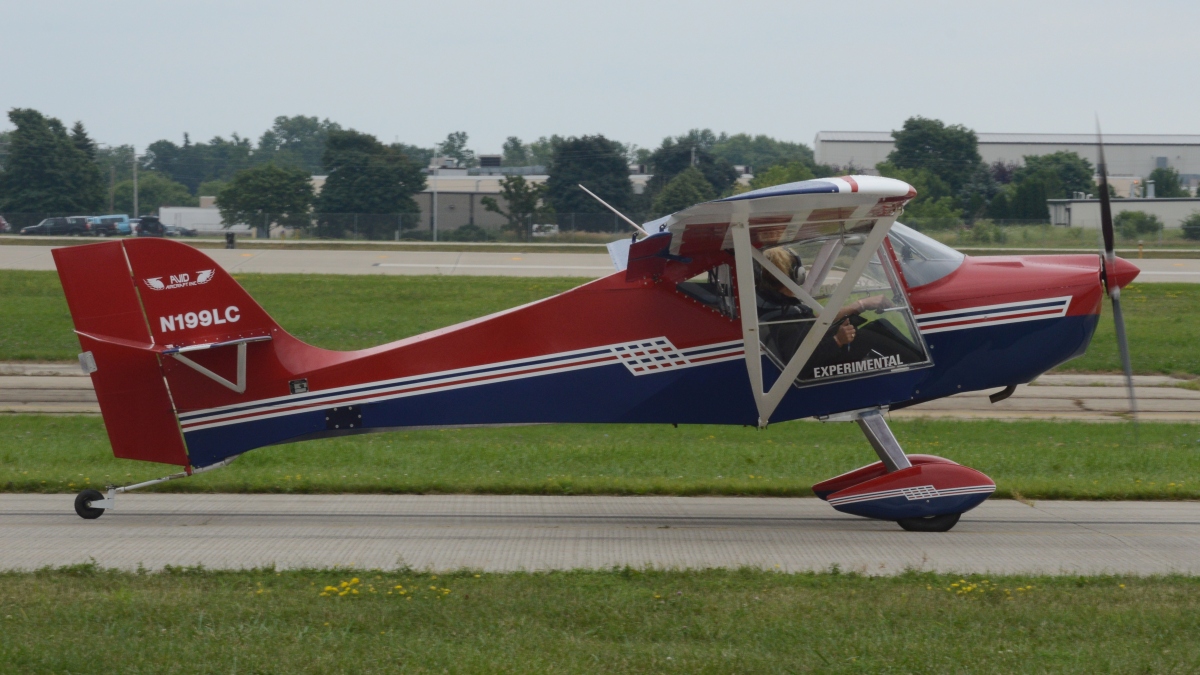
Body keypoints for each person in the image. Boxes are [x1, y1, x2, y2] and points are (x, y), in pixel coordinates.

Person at [756, 246, 892, 371]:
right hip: (819, 367)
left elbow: (810, 324)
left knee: (879, 325)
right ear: (798, 274)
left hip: (819, 349)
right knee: (867, 338)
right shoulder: (783, 315)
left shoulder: (774, 303)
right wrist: (838, 340)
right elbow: (800, 364)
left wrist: (860, 305)